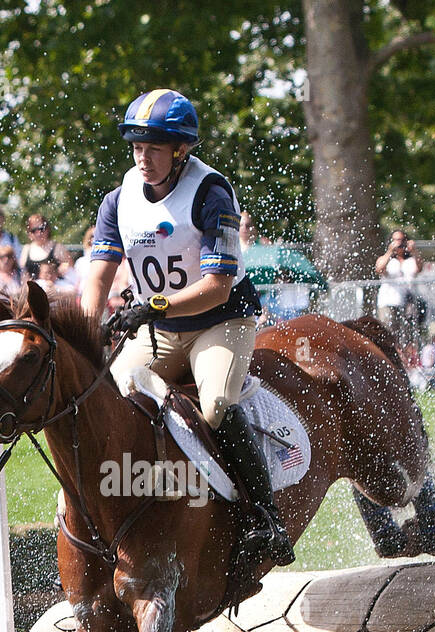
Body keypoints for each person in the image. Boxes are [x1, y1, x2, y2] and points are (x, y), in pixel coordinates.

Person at [81, 88, 291, 565]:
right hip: (157, 326)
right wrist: (88, 327)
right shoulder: (118, 200)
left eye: (153, 148)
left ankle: (265, 518)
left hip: (219, 321)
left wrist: (154, 305)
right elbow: (98, 273)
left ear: (181, 150)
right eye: (137, 147)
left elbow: (217, 286)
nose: (143, 158)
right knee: (108, 401)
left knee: (215, 402)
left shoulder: (211, 194)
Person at [374, 230, 422, 353]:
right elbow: (379, 268)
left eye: (401, 240)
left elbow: (420, 268)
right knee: (388, 335)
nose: (399, 244)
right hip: (389, 303)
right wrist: (390, 251)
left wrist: (414, 251)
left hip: (407, 303)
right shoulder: (388, 259)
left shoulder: (410, 260)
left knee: (407, 335)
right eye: (396, 240)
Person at [19, 214, 62, 280]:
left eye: (41, 229)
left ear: (47, 229)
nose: (38, 233)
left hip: (52, 288)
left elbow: (71, 273)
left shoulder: (58, 248)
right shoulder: (26, 249)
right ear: (29, 233)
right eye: (34, 230)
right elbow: (23, 275)